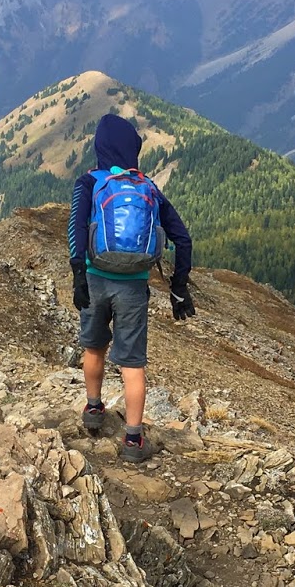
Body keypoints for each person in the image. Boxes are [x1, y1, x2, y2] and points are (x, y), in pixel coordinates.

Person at [69, 112, 194, 463]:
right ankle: (134, 441)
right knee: (132, 363)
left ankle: (94, 411)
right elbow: (182, 239)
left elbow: (76, 229)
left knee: (94, 348)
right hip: (135, 286)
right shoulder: (148, 186)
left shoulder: (90, 181)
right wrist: (179, 286)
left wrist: (79, 273)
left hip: (95, 279)